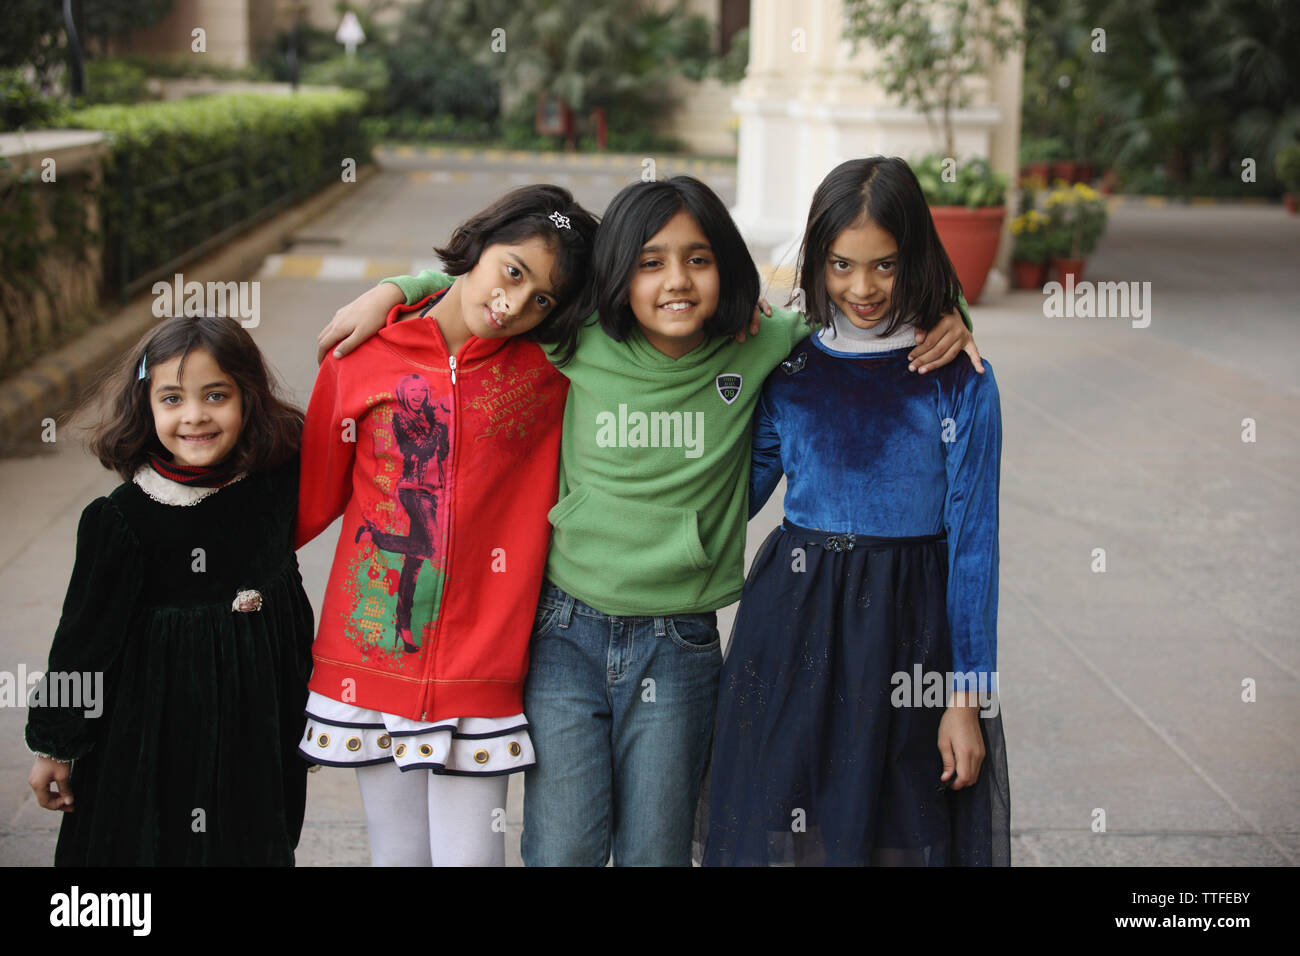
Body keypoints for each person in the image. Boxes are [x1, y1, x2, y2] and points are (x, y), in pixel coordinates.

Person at [319, 175, 981, 866]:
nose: (678, 281)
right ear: (618, 274)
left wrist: (953, 310)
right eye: (650, 261)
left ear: (726, 266)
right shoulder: (574, 337)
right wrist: (401, 287)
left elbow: (867, 300)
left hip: (678, 644)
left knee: (656, 851)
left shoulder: (761, 344)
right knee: (562, 847)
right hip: (562, 635)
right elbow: (490, 286)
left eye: (698, 259)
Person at [702, 156, 1011, 866]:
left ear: (918, 259)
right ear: (817, 259)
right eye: (841, 265)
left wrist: (965, 699)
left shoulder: (958, 381)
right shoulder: (791, 368)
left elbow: (975, 547)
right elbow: (734, 494)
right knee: (788, 824)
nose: (862, 288)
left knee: (899, 829)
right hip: (793, 626)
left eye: (886, 266)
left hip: (912, 638)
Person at [294, 184, 598, 866]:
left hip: (482, 666)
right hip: (370, 656)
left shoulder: (554, 368)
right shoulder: (360, 355)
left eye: (542, 298)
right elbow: (308, 502)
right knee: (397, 858)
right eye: (512, 271)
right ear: (480, 243)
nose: (515, 304)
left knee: (472, 861)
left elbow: (658, 315)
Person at [25, 315, 313, 866]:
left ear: (249, 399)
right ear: (146, 405)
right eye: (172, 399)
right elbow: (82, 643)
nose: (195, 416)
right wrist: (54, 746)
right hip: (150, 736)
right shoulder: (122, 522)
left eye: (216, 395)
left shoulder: (274, 480)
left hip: (253, 733)